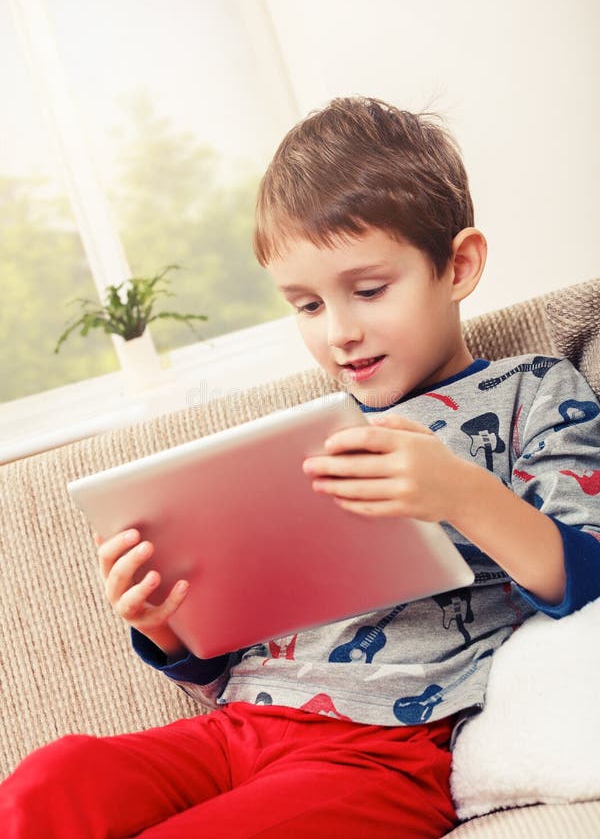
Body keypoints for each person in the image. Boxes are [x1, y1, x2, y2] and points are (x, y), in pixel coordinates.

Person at [2, 97, 599, 838]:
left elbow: (586, 580)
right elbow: (235, 655)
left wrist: (462, 494)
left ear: (459, 264)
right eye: (307, 305)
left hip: (383, 753)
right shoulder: (300, 440)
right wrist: (169, 630)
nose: (340, 332)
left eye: (369, 291)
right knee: (49, 781)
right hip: (239, 724)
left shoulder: (532, 391)